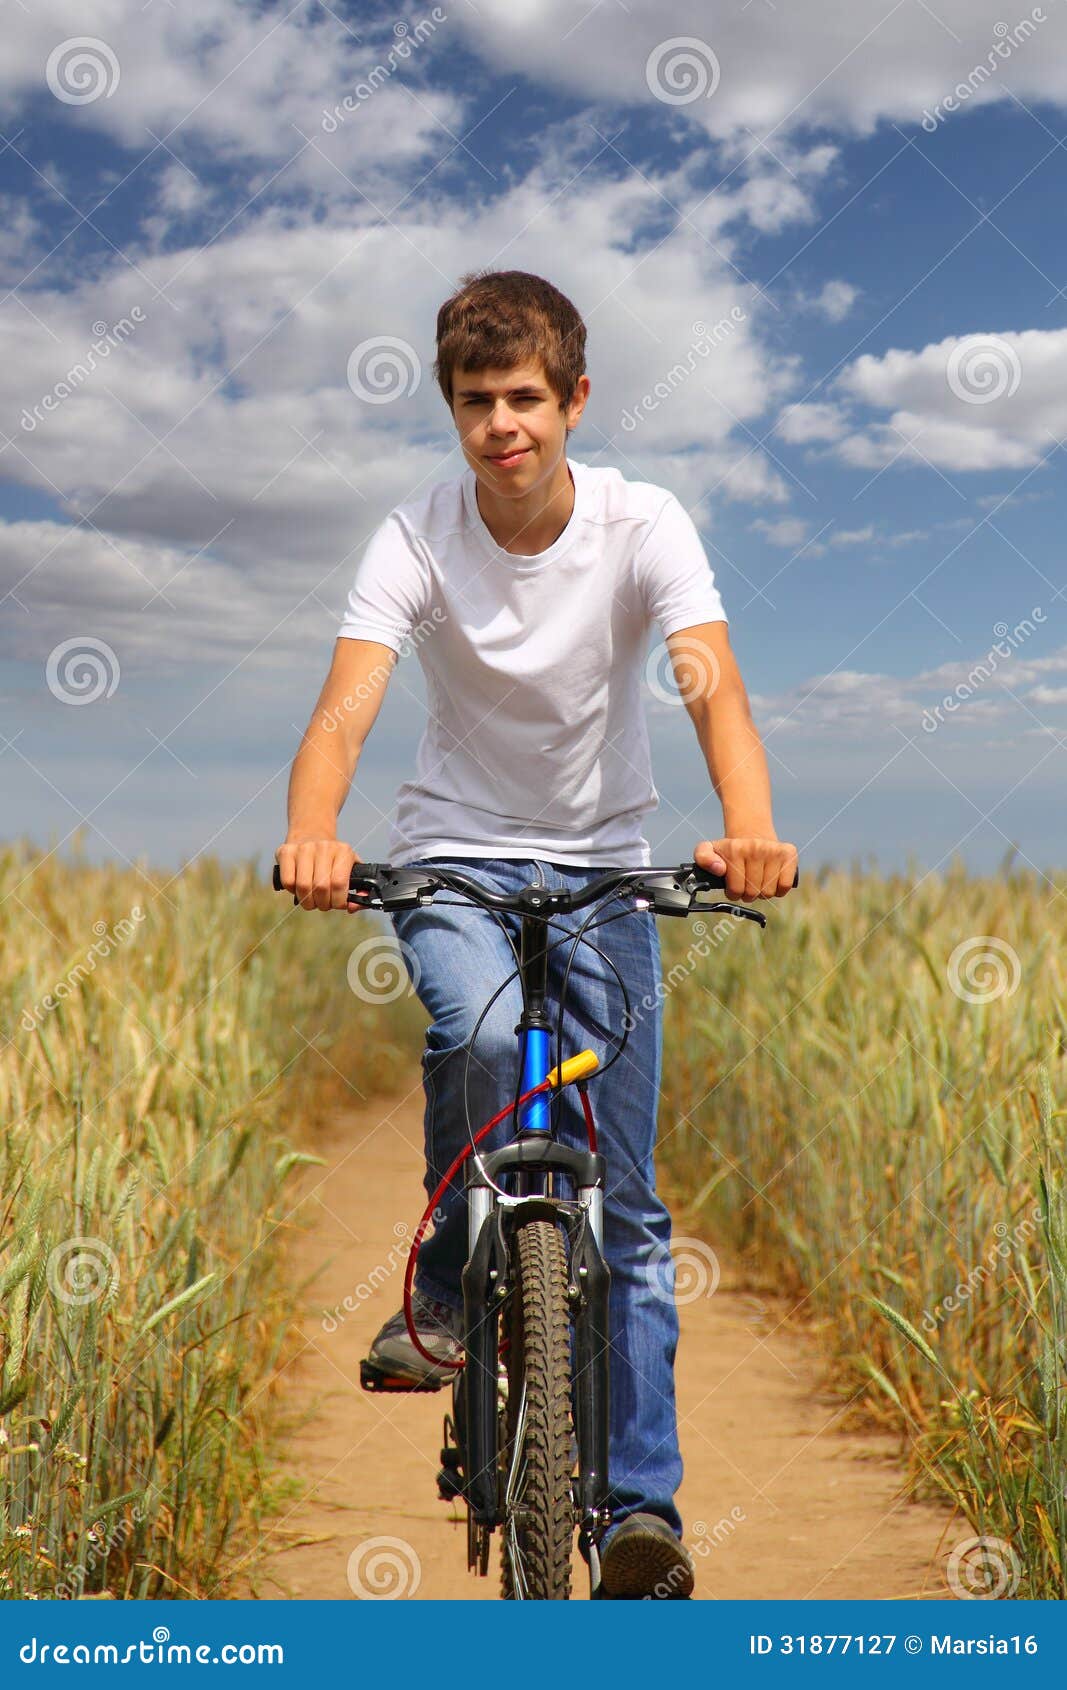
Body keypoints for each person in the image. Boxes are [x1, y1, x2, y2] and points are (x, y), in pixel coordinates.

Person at [275, 269, 798, 1599]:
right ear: (452, 411)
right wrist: (318, 832)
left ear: (573, 400)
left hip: (609, 870)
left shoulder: (642, 524)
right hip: (451, 854)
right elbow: (346, 709)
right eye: (475, 401)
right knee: (482, 1027)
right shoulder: (416, 530)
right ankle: (448, 1282)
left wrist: (749, 822)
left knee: (623, 1204)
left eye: (524, 397)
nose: (501, 423)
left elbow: (711, 684)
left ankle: (642, 1512)